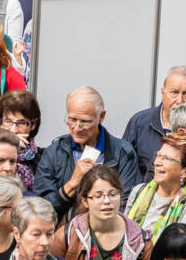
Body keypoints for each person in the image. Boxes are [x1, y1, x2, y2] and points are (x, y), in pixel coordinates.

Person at [31, 86, 142, 216]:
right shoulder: (54, 152)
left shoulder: (123, 153)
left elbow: (127, 205)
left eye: (85, 121)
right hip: (62, 227)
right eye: (72, 119)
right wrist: (72, 184)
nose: (77, 128)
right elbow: (41, 209)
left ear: (101, 116)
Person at [53, 165, 146, 260]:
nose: (107, 201)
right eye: (98, 196)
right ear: (85, 201)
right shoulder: (66, 236)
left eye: (113, 194)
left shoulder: (140, 240)